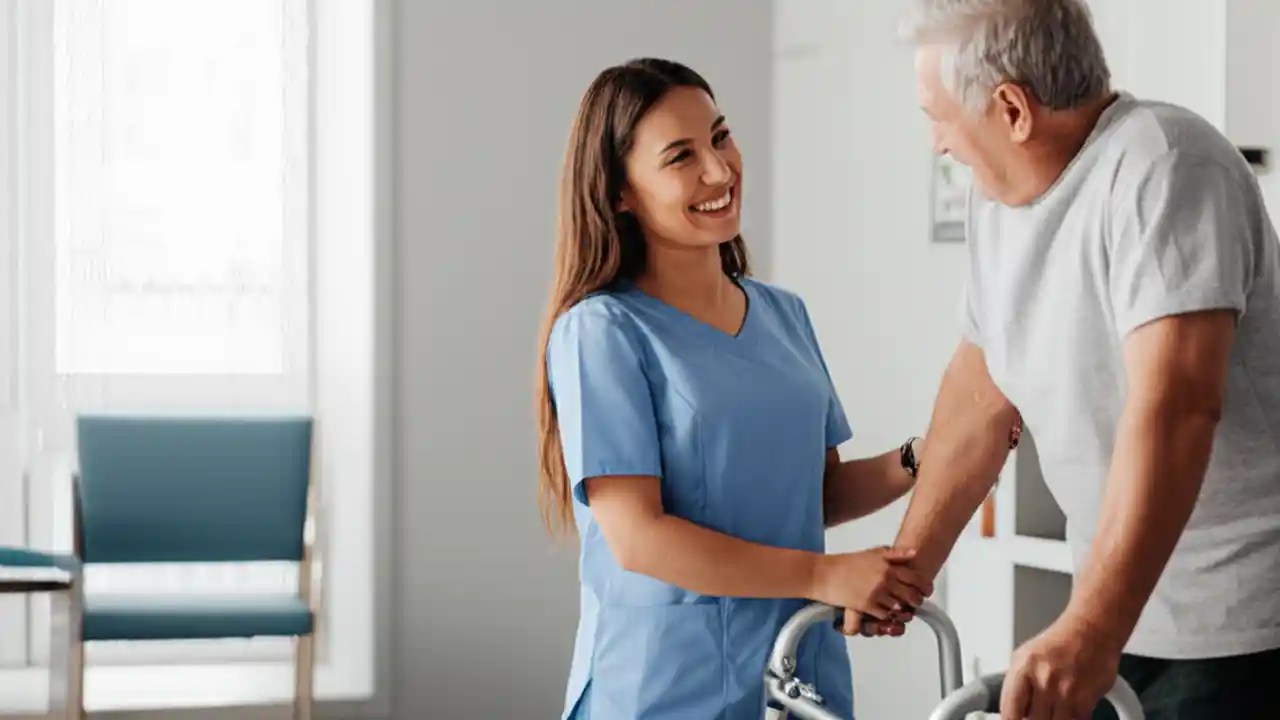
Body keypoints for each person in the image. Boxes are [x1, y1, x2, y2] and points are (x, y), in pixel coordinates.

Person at [875, 1, 1280, 719]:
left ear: (1012, 109)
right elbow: (980, 396)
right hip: (1125, 611)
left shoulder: (1166, 166)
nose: (937, 142)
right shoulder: (997, 202)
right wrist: (904, 571)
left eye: (937, 115)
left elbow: (1177, 406)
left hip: (1241, 626)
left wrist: (1093, 626)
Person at [535, 58, 933, 720]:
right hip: (667, 689)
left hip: (797, 669)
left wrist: (922, 457)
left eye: (720, 137)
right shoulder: (601, 332)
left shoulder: (784, 315)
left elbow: (814, 493)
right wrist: (823, 575)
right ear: (620, 192)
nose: (720, 171)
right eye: (680, 156)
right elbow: (639, 537)